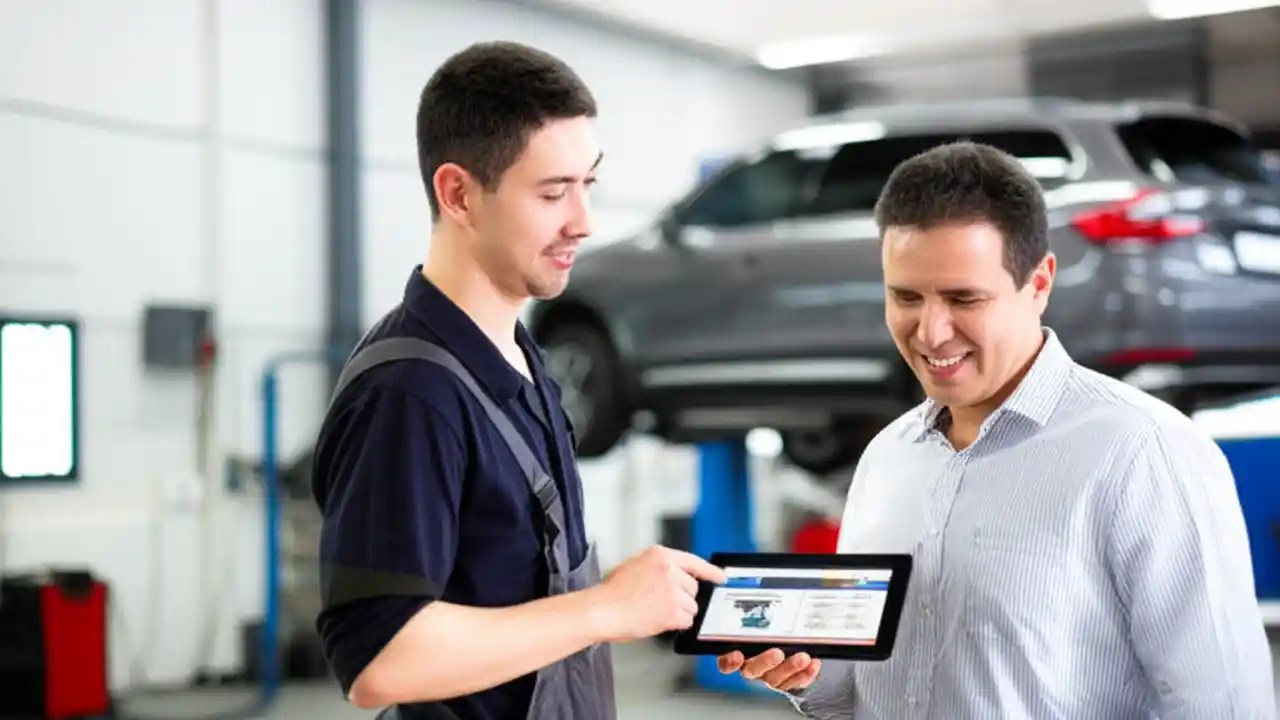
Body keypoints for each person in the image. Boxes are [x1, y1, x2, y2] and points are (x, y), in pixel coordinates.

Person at [718, 141, 1276, 718]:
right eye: (906, 296)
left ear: (1039, 284)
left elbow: (1226, 705)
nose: (931, 332)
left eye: (964, 299)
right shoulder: (887, 458)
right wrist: (805, 674)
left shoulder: (1145, 453)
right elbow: (859, 696)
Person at [310, 41, 725, 720]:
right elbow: (379, 660)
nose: (582, 222)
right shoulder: (411, 392)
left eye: (587, 183)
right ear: (458, 194)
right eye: (553, 191)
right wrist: (602, 609)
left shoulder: (521, 359)